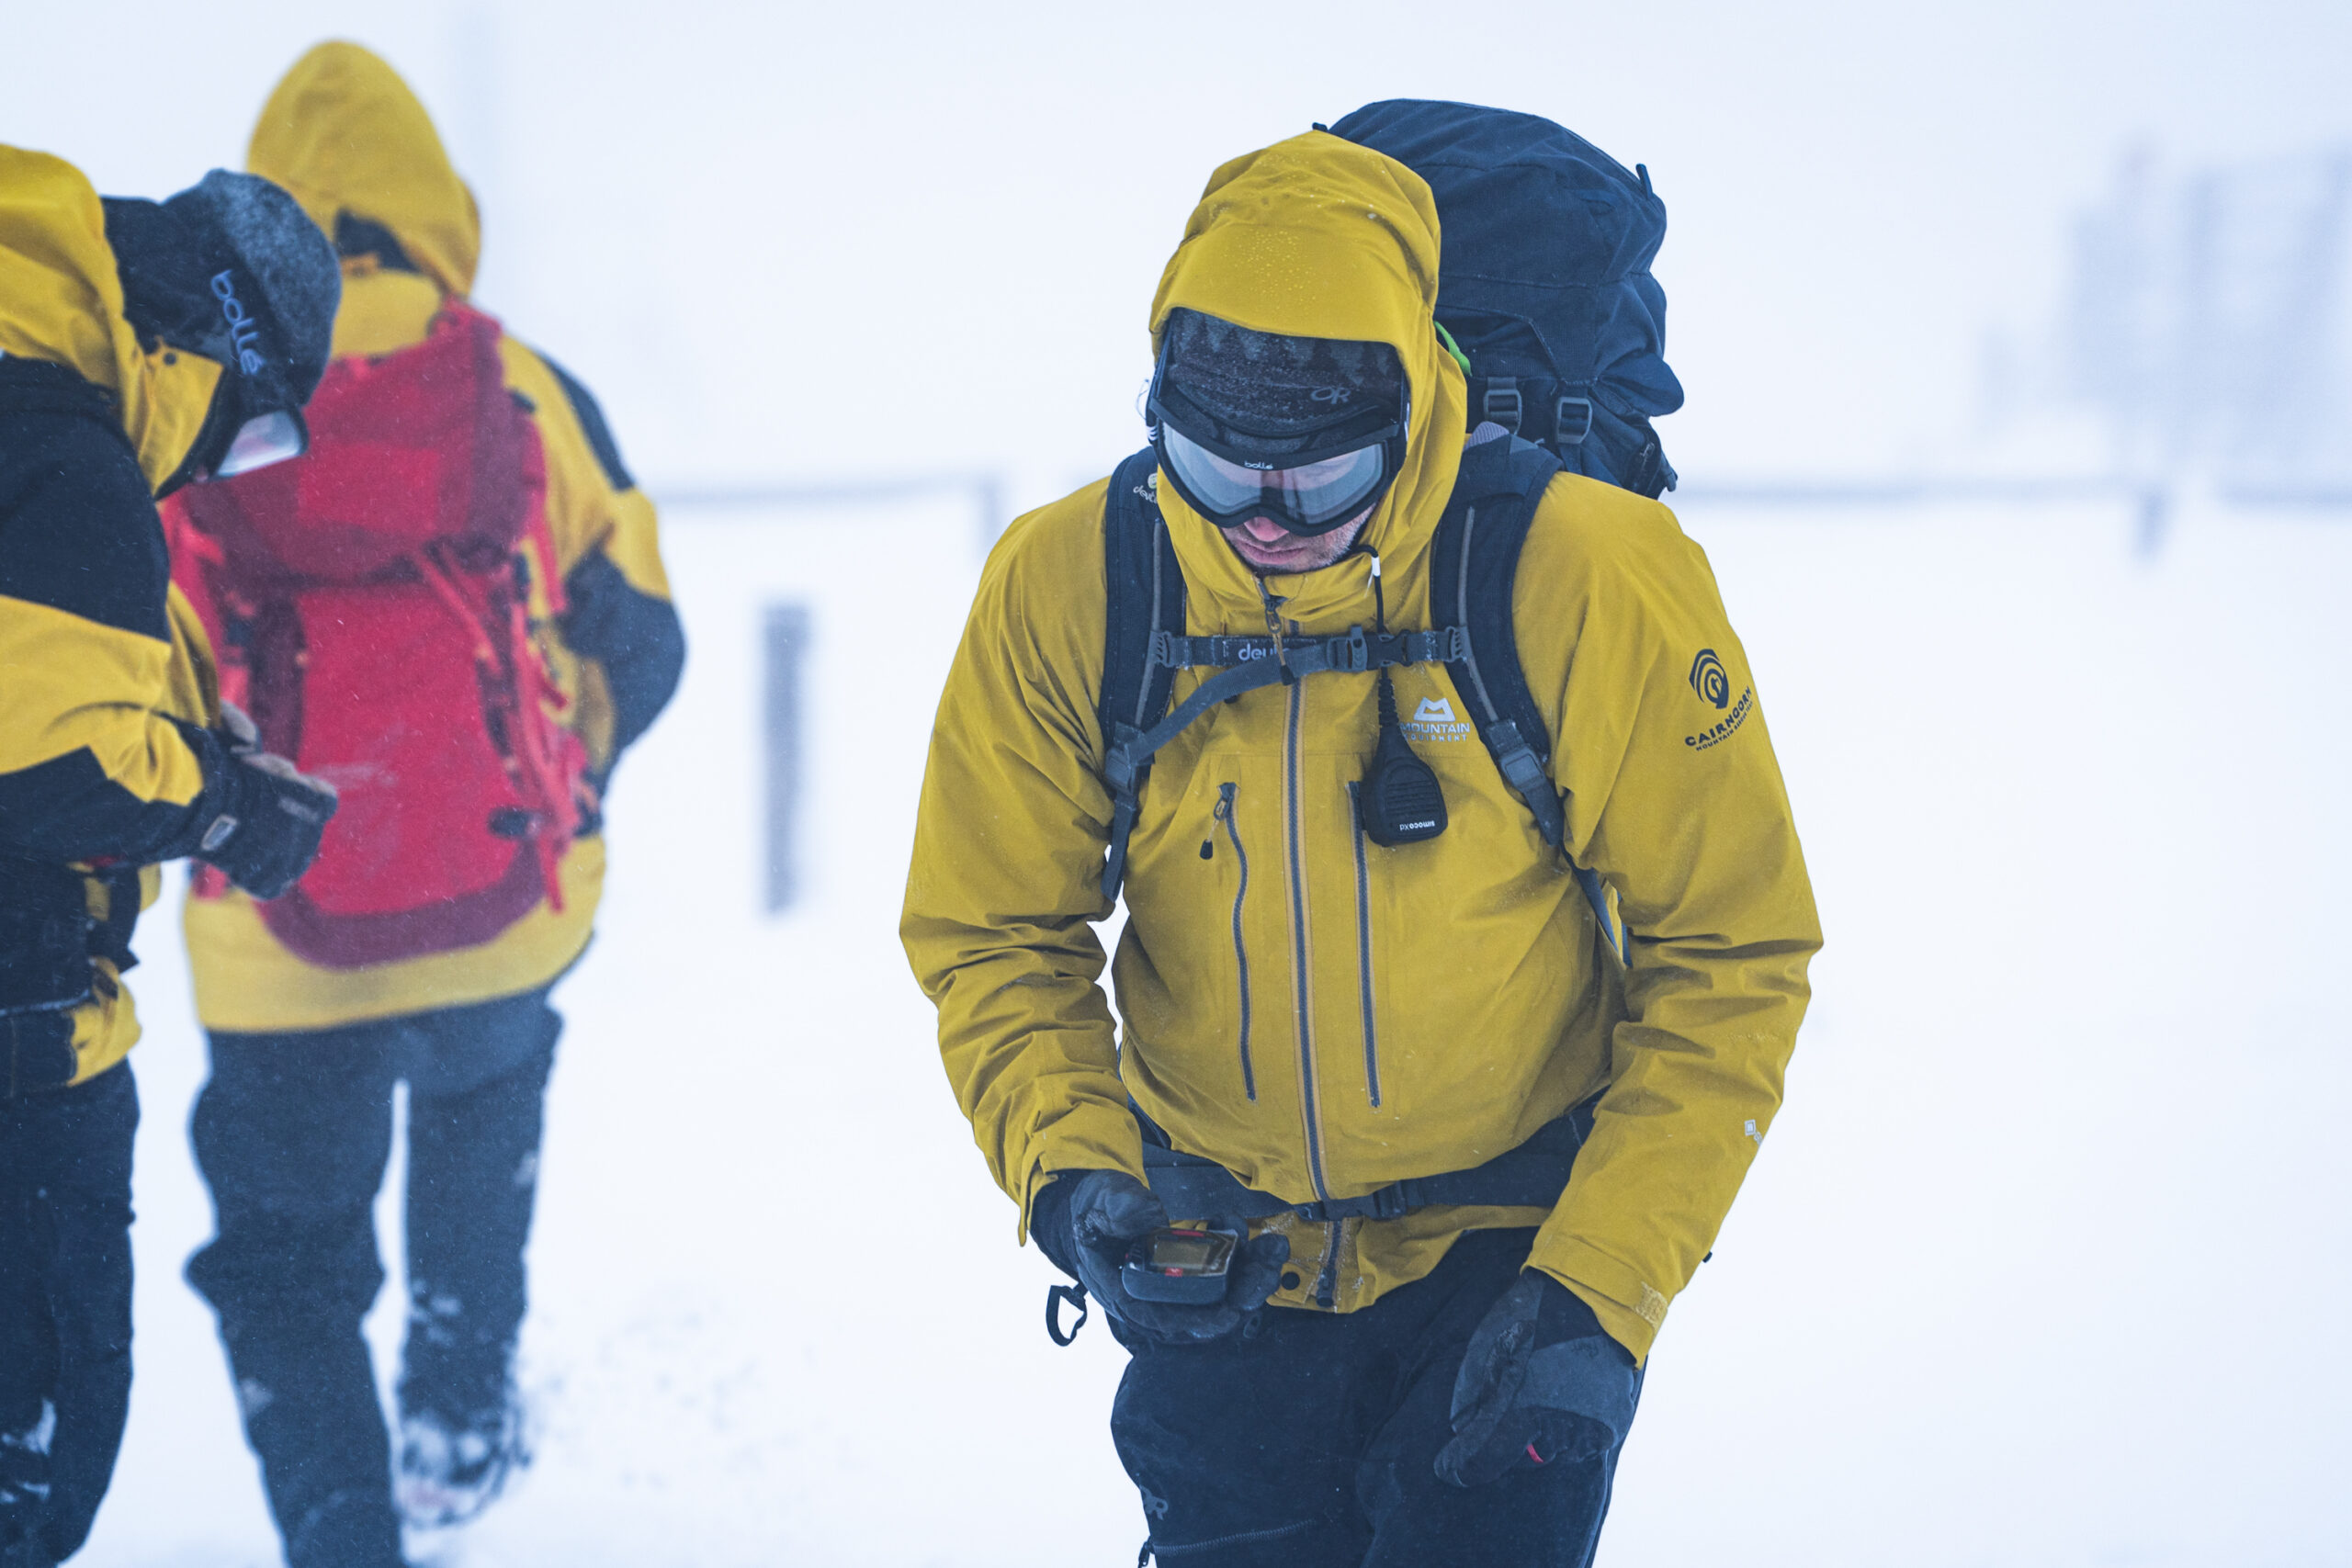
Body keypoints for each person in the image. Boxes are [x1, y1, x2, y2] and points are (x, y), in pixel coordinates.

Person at [901, 129, 1821, 1565]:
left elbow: (1732, 954)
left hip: (1512, 1268)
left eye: (1321, 481)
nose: (1268, 520)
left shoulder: (1584, 575)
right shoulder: (1072, 585)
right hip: (1220, 1260)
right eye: (1216, 465)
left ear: (1415, 400)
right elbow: (994, 932)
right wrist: (1081, 1180)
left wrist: (1598, 1293)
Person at [162, 42, 685, 1568]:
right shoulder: (520, 383)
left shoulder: (198, 388)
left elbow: (141, 655)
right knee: (476, 1124)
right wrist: (555, 771)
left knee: (287, 1263)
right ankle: (455, 1433)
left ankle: (341, 1531)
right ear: (432, 206)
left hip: (270, 928)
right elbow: (643, 635)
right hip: (499, 905)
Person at [2, 150, 341, 1568]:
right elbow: (53, 764)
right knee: (41, 1466)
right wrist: (220, 810)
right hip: (23, 1057)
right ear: (210, 341)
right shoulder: (66, 451)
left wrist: (185, 733)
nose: (214, 470)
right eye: (256, 432)